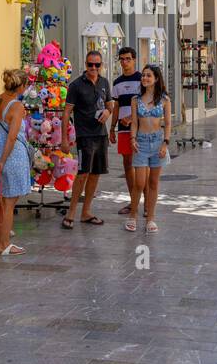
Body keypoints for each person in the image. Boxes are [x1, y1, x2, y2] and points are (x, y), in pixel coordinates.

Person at [60, 50, 114, 229]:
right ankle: (71, 213)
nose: (93, 68)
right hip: (84, 136)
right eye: (90, 64)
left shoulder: (104, 82)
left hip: (101, 135)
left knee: (95, 174)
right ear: (85, 64)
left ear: (101, 65)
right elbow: (66, 113)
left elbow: (110, 105)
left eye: (97, 65)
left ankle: (86, 212)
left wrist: (108, 111)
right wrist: (65, 139)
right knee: (82, 174)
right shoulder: (76, 85)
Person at [0, 68, 31, 256]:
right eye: (26, 85)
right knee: (9, 204)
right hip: (12, 158)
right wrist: (3, 161)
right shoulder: (18, 107)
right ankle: (5, 245)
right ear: (20, 86)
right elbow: (12, 138)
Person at [127, 63, 172, 233]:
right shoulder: (135, 100)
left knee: (153, 182)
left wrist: (165, 143)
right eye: (143, 75)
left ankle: (151, 218)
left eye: (148, 76)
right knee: (139, 183)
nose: (145, 78)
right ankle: (133, 215)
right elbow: (134, 124)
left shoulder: (165, 100)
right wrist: (132, 139)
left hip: (158, 143)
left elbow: (167, 124)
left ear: (156, 79)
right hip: (141, 143)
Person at [110, 46, 143, 217]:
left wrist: (131, 117)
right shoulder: (117, 83)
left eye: (128, 59)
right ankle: (133, 202)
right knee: (128, 165)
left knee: (142, 166)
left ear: (134, 59)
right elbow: (116, 106)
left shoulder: (142, 79)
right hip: (122, 130)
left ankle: (146, 203)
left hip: (140, 129)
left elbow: (147, 103)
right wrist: (112, 128)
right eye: (122, 59)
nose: (124, 62)